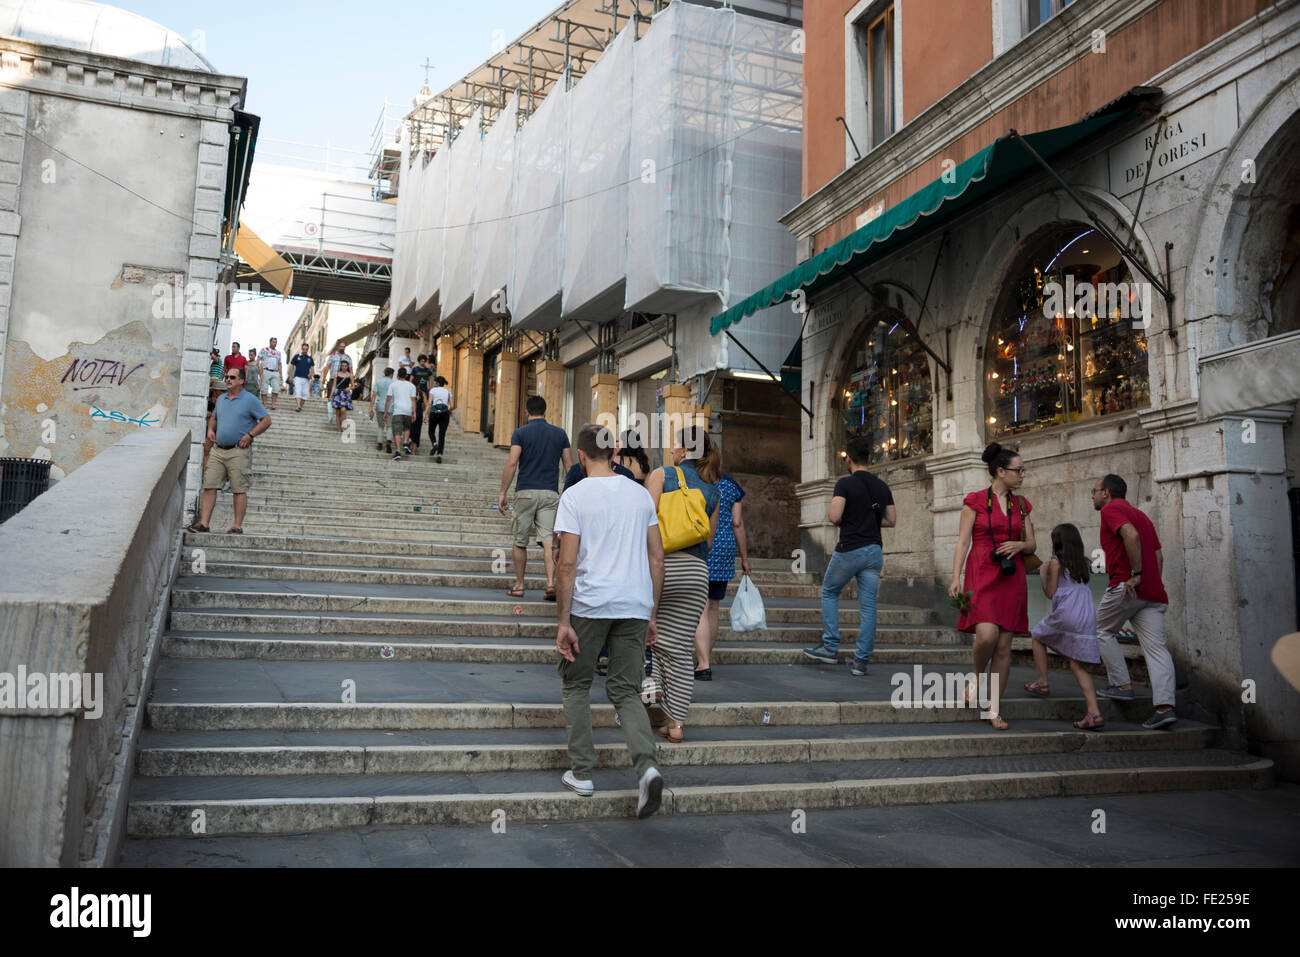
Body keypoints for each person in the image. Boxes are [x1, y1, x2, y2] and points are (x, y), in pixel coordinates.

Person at [553, 423, 666, 817]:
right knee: (626, 691)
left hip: (590, 604)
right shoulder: (639, 495)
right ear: (613, 454)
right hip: (634, 604)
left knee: (576, 682)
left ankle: (582, 772)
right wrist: (650, 611)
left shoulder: (575, 495)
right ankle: (647, 767)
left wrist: (563, 621)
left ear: (581, 456)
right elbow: (657, 557)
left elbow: (566, 563)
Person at [949, 442, 1036, 729]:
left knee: (1004, 645)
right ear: (1001, 471)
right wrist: (955, 577)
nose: (1022, 475)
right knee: (986, 636)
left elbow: (1033, 544)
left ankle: (993, 708)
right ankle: (976, 676)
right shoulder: (974, 500)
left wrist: (1020, 544)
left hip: (1011, 577)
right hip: (982, 571)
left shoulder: (1021, 505)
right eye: (1018, 470)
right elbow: (963, 541)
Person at [643, 425, 720, 743]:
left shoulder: (661, 475)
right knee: (679, 648)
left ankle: (654, 695)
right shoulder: (713, 488)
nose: (672, 449)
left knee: (650, 638)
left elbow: (643, 522)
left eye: (676, 445)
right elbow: (710, 541)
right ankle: (675, 725)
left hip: (661, 566)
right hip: (697, 572)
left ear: (685, 450)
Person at [803, 436, 896, 677]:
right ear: (869, 459)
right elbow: (891, 520)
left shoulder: (845, 484)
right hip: (874, 551)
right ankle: (861, 661)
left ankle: (830, 647)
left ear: (849, 459)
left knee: (829, 591)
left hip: (850, 548)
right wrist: (868, 521)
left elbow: (834, 517)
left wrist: (852, 520)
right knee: (868, 608)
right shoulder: (882, 487)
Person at [1091, 474, 1176, 729]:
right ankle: (1164, 708)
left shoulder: (1111, 509)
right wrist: (1148, 581)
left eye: (1094, 491)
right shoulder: (1143, 516)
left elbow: (1130, 535)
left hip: (1126, 586)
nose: (1092, 496)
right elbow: (1159, 556)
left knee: (1102, 630)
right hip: (1152, 593)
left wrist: (1136, 575)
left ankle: (1122, 685)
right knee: (1156, 648)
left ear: (1106, 492)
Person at [1023, 523, 1104, 729]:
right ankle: (1094, 713)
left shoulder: (1055, 562)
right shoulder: (1083, 563)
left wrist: (1043, 574)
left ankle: (1042, 682)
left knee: (1037, 635)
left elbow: (1050, 593)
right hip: (1086, 613)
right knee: (1077, 664)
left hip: (1068, 612)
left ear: (1056, 542)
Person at [498, 395, 572, 601]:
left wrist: (503, 492)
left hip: (525, 492)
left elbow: (512, 463)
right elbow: (569, 466)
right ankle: (550, 584)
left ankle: (520, 585)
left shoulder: (520, 433)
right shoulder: (559, 434)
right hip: (550, 493)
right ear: (545, 412)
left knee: (520, 541)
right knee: (549, 540)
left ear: (527, 412)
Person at [186, 365, 270, 535]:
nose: (228, 380)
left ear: (241, 380)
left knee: (238, 488)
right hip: (218, 450)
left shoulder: (250, 400)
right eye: (227, 377)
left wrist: (250, 435)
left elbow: (266, 420)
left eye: (232, 377)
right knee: (209, 486)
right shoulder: (222, 399)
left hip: (238, 451)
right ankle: (204, 524)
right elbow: (214, 418)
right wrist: (210, 430)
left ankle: (237, 526)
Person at [694, 467, 751, 681]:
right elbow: (737, 522)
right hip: (725, 547)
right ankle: (705, 657)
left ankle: (702, 662)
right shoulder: (731, 485)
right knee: (714, 605)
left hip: (702, 543)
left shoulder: (697, 480)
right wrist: (744, 558)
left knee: (701, 606)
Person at [384, 366, 417, 459]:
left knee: (397, 431)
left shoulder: (393, 385)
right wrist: (414, 412)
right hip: (408, 411)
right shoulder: (411, 386)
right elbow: (413, 400)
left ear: (398, 375)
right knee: (407, 428)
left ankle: (398, 451)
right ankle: (406, 442)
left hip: (397, 411)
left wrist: (386, 412)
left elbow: (388, 399)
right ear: (406, 375)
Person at [410, 354, 433, 451]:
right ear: (419, 361)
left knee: (424, 405)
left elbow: (430, 381)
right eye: (421, 361)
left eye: (424, 361)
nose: (423, 362)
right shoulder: (415, 369)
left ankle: (424, 416)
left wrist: (430, 390)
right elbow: (411, 379)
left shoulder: (428, 370)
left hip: (424, 391)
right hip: (415, 391)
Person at [370, 366, 395, 453]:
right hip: (390, 407)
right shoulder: (393, 383)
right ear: (391, 374)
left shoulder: (378, 382)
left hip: (379, 406)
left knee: (380, 426)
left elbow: (374, 396)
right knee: (390, 426)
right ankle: (388, 442)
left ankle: (380, 443)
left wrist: (371, 408)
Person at [427, 375, 452, 462]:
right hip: (444, 414)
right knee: (442, 434)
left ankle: (434, 444)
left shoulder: (433, 390)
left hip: (434, 413)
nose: (434, 383)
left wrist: (426, 414)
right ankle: (439, 454)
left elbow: (429, 403)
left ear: (437, 383)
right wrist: (447, 411)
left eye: (434, 382)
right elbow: (451, 406)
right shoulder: (448, 391)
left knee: (431, 431)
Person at [324, 342, 347, 421]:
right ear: (338, 347)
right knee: (330, 397)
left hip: (342, 381)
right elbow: (327, 367)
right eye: (341, 346)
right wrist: (323, 378)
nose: (342, 348)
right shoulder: (332, 356)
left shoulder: (347, 357)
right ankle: (330, 414)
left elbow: (350, 370)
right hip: (332, 379)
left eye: (344, 347)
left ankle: (338, 415)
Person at [330, 359, 354, 433]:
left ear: (347, 367)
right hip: (337, 393)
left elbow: (353, 386)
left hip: (345, 394)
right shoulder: (336, 374)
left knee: (343, 410)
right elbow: (334, 386)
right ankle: (339, 429)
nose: (344, 367)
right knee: (337, 412)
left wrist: (349, 388)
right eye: (342, 366)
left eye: (345, 366)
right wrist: (331, 396)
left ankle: (343, 428)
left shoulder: (350, 375)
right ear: (340, 366)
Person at [260, 337, 283, 410]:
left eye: (276, 342)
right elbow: (259, 359)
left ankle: (273, 404)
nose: (275, 344)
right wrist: (259, 371)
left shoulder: (278, 353)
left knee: (276, 388)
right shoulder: (264, 350)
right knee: (264, 388)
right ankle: (264, 404)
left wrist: (281, 374)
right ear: (270, 342)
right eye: (273, 342)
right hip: (266, 370)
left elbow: (279, 364)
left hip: (275, 372)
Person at [290, 344, 314, 412]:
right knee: (298, 391)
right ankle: (298, 406)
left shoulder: (310, 358)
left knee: (305, 394)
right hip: (297, 377)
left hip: (306, 379)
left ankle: (300, 407)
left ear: (308, 349)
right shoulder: (296, 356)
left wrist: (311, 374)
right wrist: (290, 376)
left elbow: (312, 369)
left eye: (306, 349)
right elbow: (291, 366)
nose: (305, 351)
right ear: (301, 348)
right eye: (303, 349)